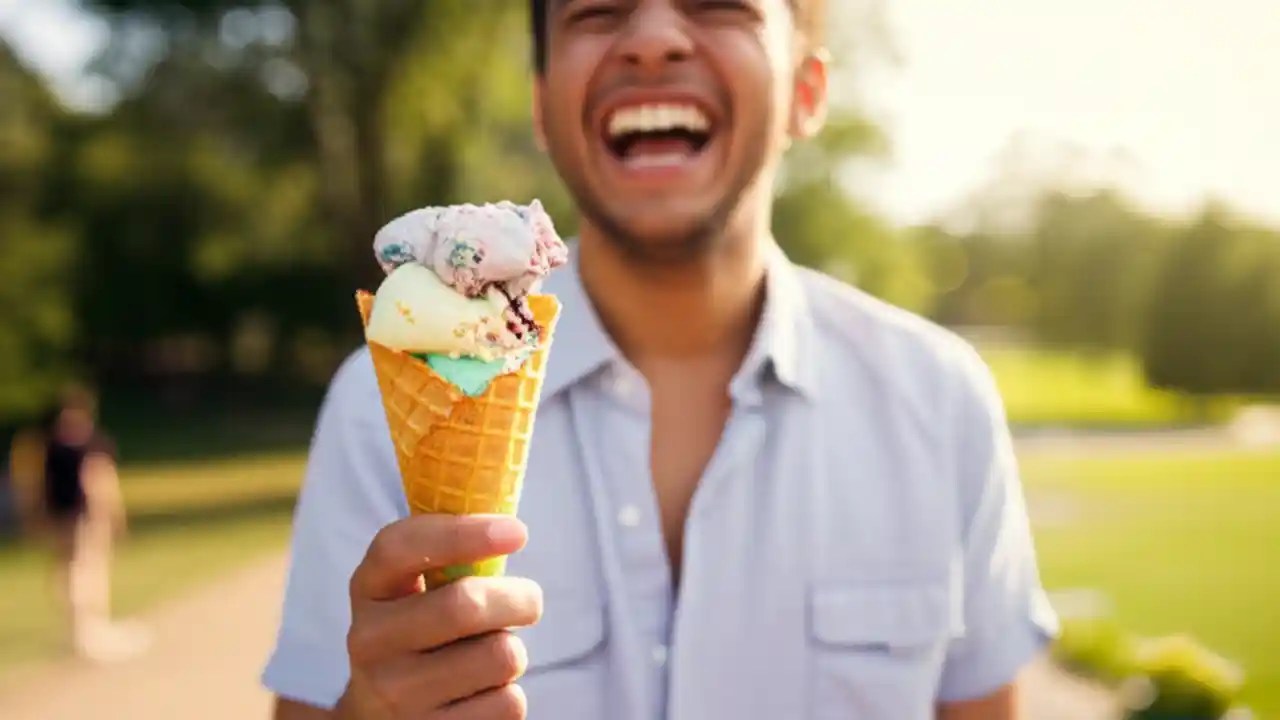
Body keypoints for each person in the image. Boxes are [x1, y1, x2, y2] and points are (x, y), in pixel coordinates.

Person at [264, 1, 1059, 718]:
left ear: (806, 92)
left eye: (718, 5)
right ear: (543, 105)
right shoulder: (380, 400)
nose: (652, 39)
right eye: (599, 12)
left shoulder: (942, 402)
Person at [38, 386, 146, 662]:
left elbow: (41, 486)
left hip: (61, 516)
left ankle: (79, 629)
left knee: (69, 570)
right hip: (86, 516)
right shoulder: (91, 443)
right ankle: (92, 628)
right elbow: (100, 481)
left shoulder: (52, 445)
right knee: (90, 570)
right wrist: (114, 515)